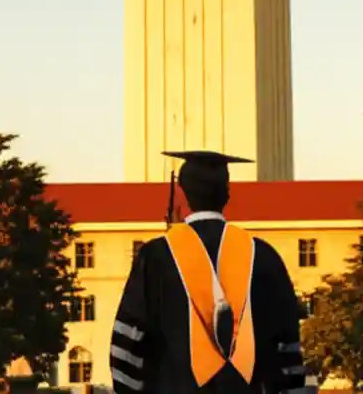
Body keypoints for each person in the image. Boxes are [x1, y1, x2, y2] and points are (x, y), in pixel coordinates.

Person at [109, 151, 309, 394]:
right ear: (227, 193)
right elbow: (288, 351)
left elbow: (128, 344)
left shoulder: (156, 258)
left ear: (182, 192)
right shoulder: (264, 257)